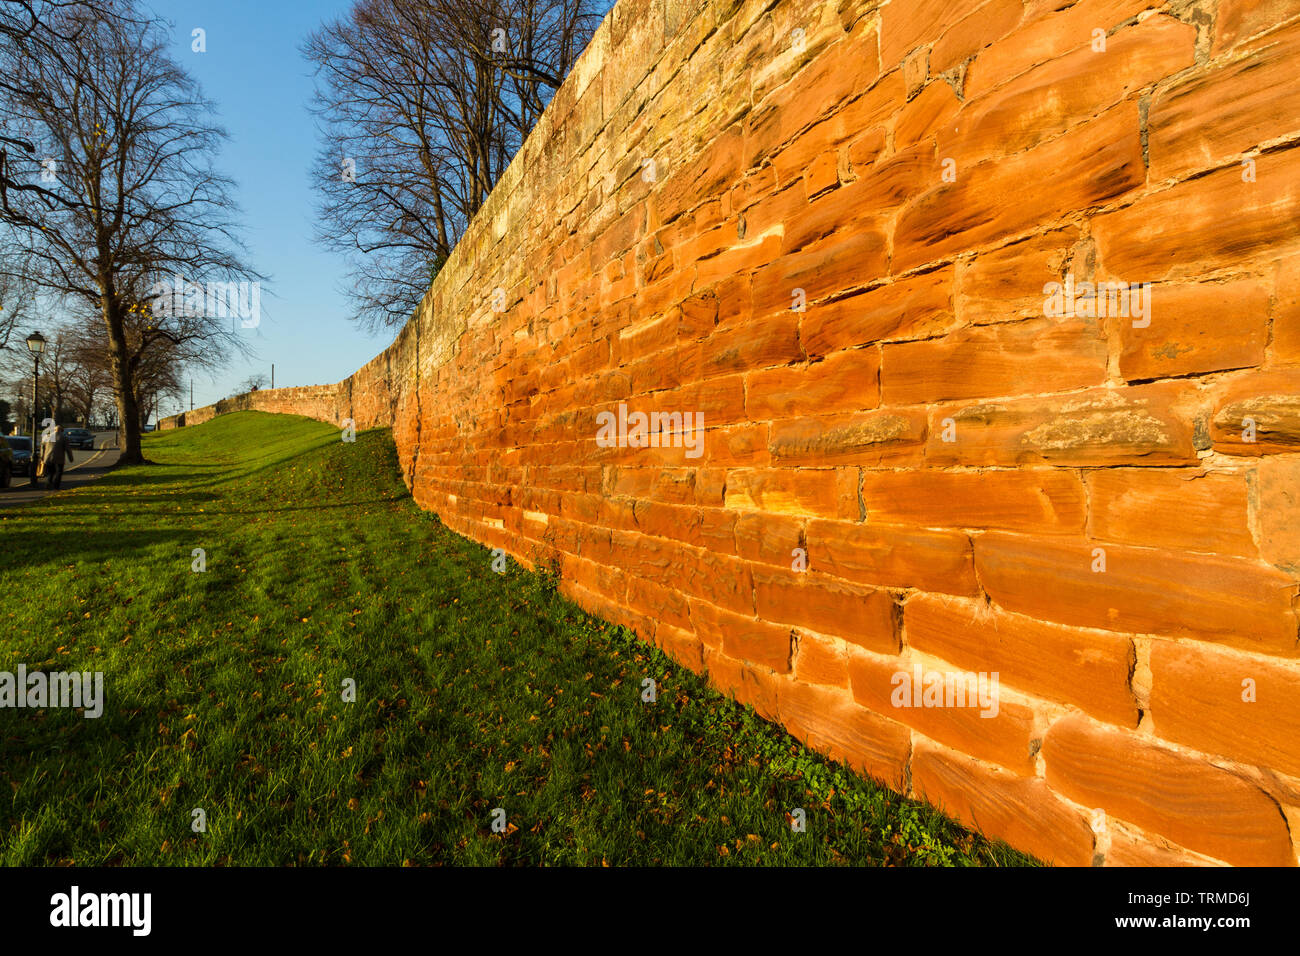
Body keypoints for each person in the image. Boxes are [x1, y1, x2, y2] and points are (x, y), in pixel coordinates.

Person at [40, 424, 74, 490]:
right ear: (62, 431)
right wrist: (71, 458)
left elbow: (42, 447)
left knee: (50, 473)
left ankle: (48, 484)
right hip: (59, 459)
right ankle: (56, 486)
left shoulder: (47, 437)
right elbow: (68, 449)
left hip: (48, 458)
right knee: (59, 473)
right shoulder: (64, 438)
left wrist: (42, 457)